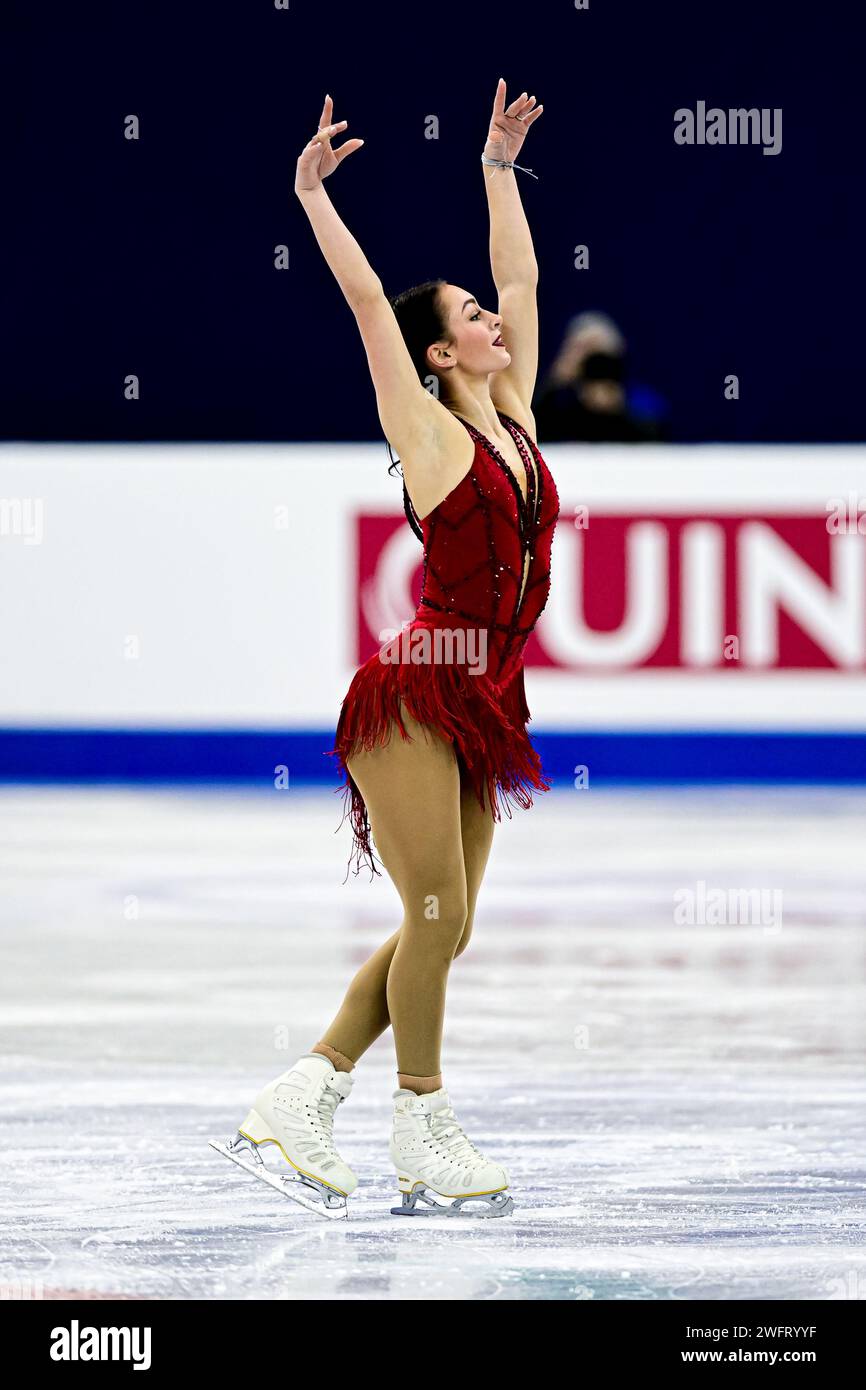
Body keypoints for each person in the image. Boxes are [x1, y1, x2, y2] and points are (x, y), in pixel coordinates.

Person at [211, 81, 559, 1218]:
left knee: (443, 924)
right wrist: (311, 196)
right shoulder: (426, 430)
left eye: (485, 314)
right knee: (427, 918)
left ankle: (303, 1091)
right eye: (468, 315)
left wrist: (496, 173)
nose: (492, 322)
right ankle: (422, 1120)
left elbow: (523, 279)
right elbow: (368, 304)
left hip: (483, 702)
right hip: (412, 695)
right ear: (433, 351)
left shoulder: (513, 423)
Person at [534, 310, 667, 441]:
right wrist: (555, 380)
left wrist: (618, 408)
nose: (594, 362)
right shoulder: (559, 403)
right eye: (584, 351)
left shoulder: (639, 399)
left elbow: (655, 436)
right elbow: (528, 428)